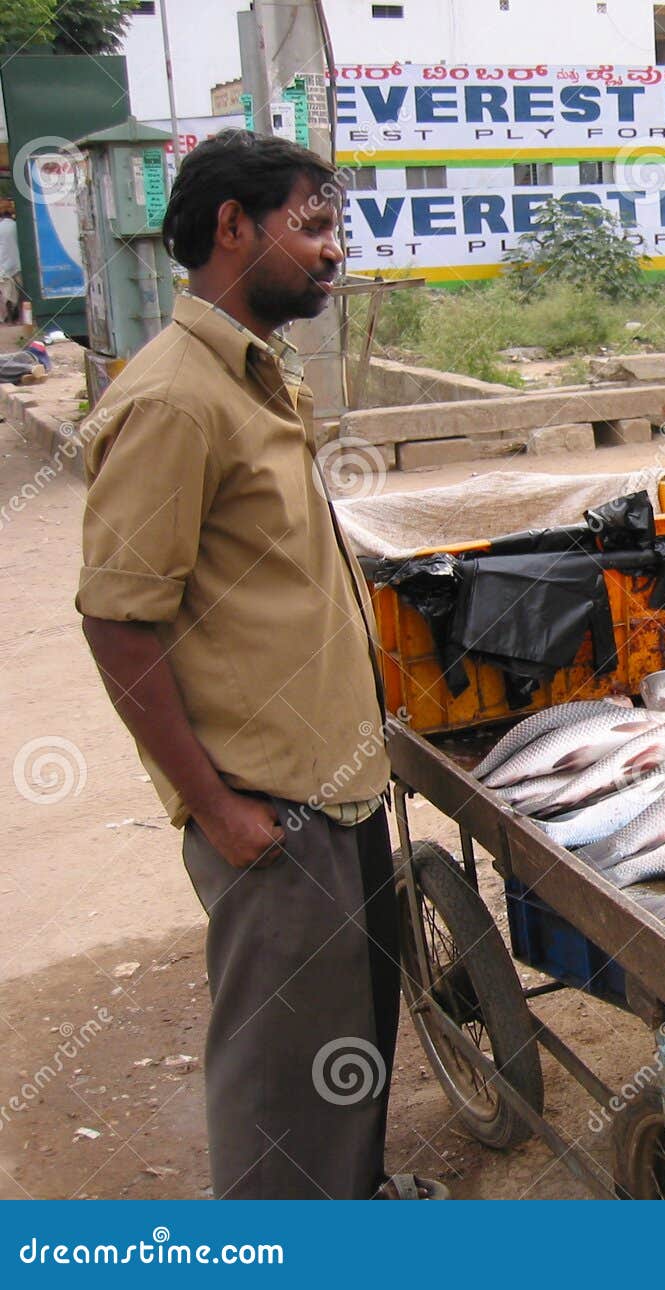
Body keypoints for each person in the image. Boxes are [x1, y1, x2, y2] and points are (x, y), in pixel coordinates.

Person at [76, 130, 417, 1200]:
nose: (334, 252)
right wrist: (217, 810)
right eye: (313, 227)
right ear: (234, 226)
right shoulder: (174, 399)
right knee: (282, 1089)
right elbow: (117, 623)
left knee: (344, 1044)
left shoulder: (257, 376)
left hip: (336, 786)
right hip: (271, 808)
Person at [0, 199, 24, 324]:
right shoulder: (17, 226)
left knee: (7, 293)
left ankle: (9, 320)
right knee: (21, 292)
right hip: (18, 263)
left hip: (3, 264)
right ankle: (21, 318)